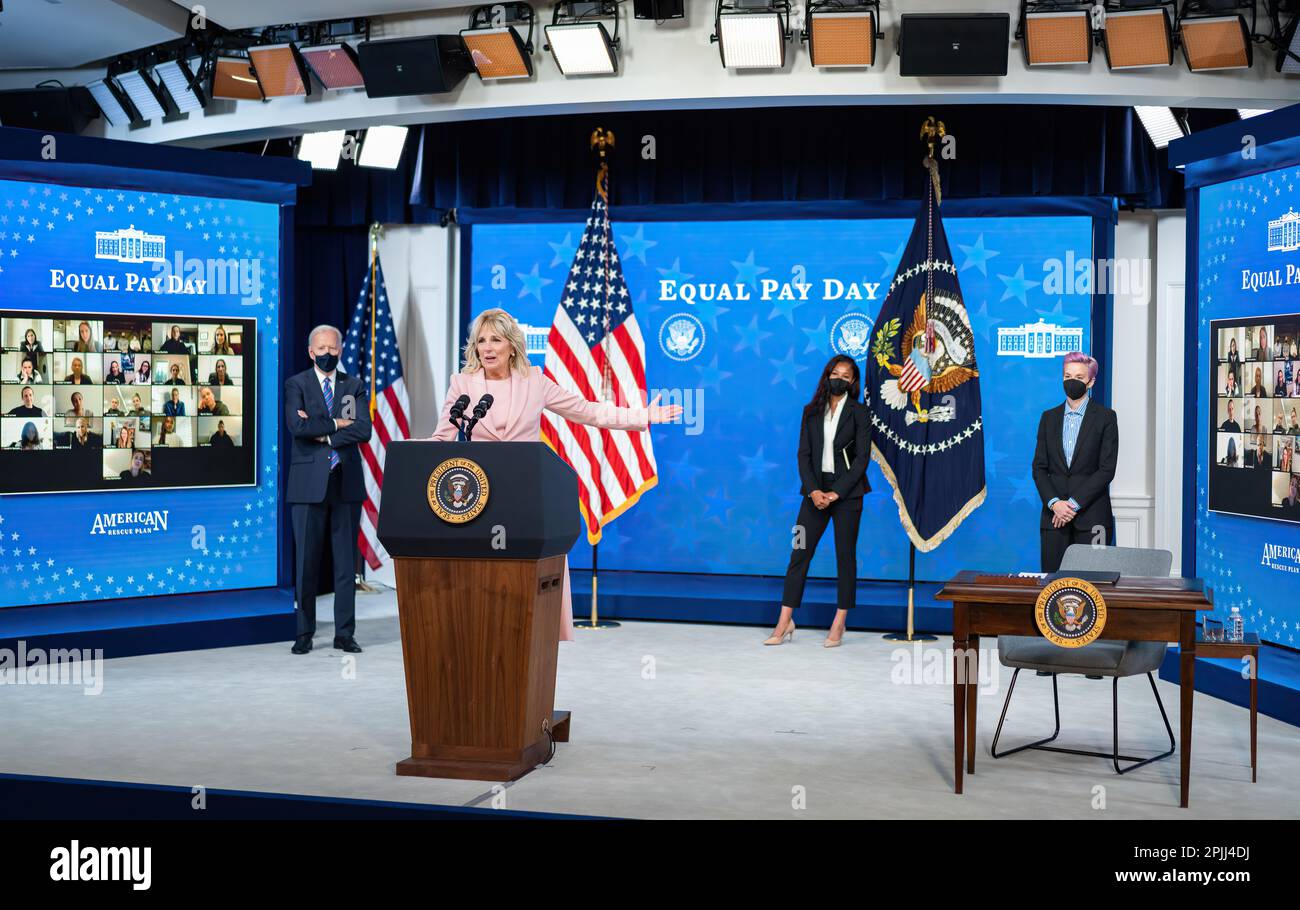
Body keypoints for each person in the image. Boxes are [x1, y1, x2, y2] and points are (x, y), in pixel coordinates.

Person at [430, 308, 681, 643]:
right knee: (487, 579)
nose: (487, 348)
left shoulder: (534, 381)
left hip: (527, 496)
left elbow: (589, 411)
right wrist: (416, 457)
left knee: (526, 577)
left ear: (512, 346)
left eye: (495, 340)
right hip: (480, 498)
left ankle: (532, 640)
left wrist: (642, 416)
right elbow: (442, 438)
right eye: (481, 341)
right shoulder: (462, 384)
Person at [764, 355, 872, 648]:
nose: (839, 378)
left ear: (852, 382)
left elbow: (862, 459)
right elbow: (804, 455)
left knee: (845, 557)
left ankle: (840, 622)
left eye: (845, 375)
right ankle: (784, 620)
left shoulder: (860, 413)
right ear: (826, 376)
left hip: (848, 495)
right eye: (834, 373)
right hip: (813, 494)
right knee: (798, 552)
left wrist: (837, 492)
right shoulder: (810, 411)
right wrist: (813, 491)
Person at [286, 324, 374, 656]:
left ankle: (344, 634)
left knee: (344, 567)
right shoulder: (297, 384)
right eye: (321, 348)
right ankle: (304, 632)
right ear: (311, 352)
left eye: (333, 348)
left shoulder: (352, 386)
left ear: (340, 350)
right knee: (306, 564)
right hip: (308, 487)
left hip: (345, 484)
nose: (327, 353)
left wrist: (321, 431)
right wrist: (337, 425)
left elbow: (363, 429)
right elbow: (298, 426)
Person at [1032, 352, 1118, 573]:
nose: (1072, 381)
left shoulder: (1106, 418)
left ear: (1091, 382)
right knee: (1053, 586)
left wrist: (1071, 505)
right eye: (1067, 376)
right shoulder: (1048, 418)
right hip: (1054, 518)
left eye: (1079, 377)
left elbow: (1106, 470)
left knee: (1093, 586)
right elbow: (1039, 468)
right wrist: (1055, 504)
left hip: (1092, 518)